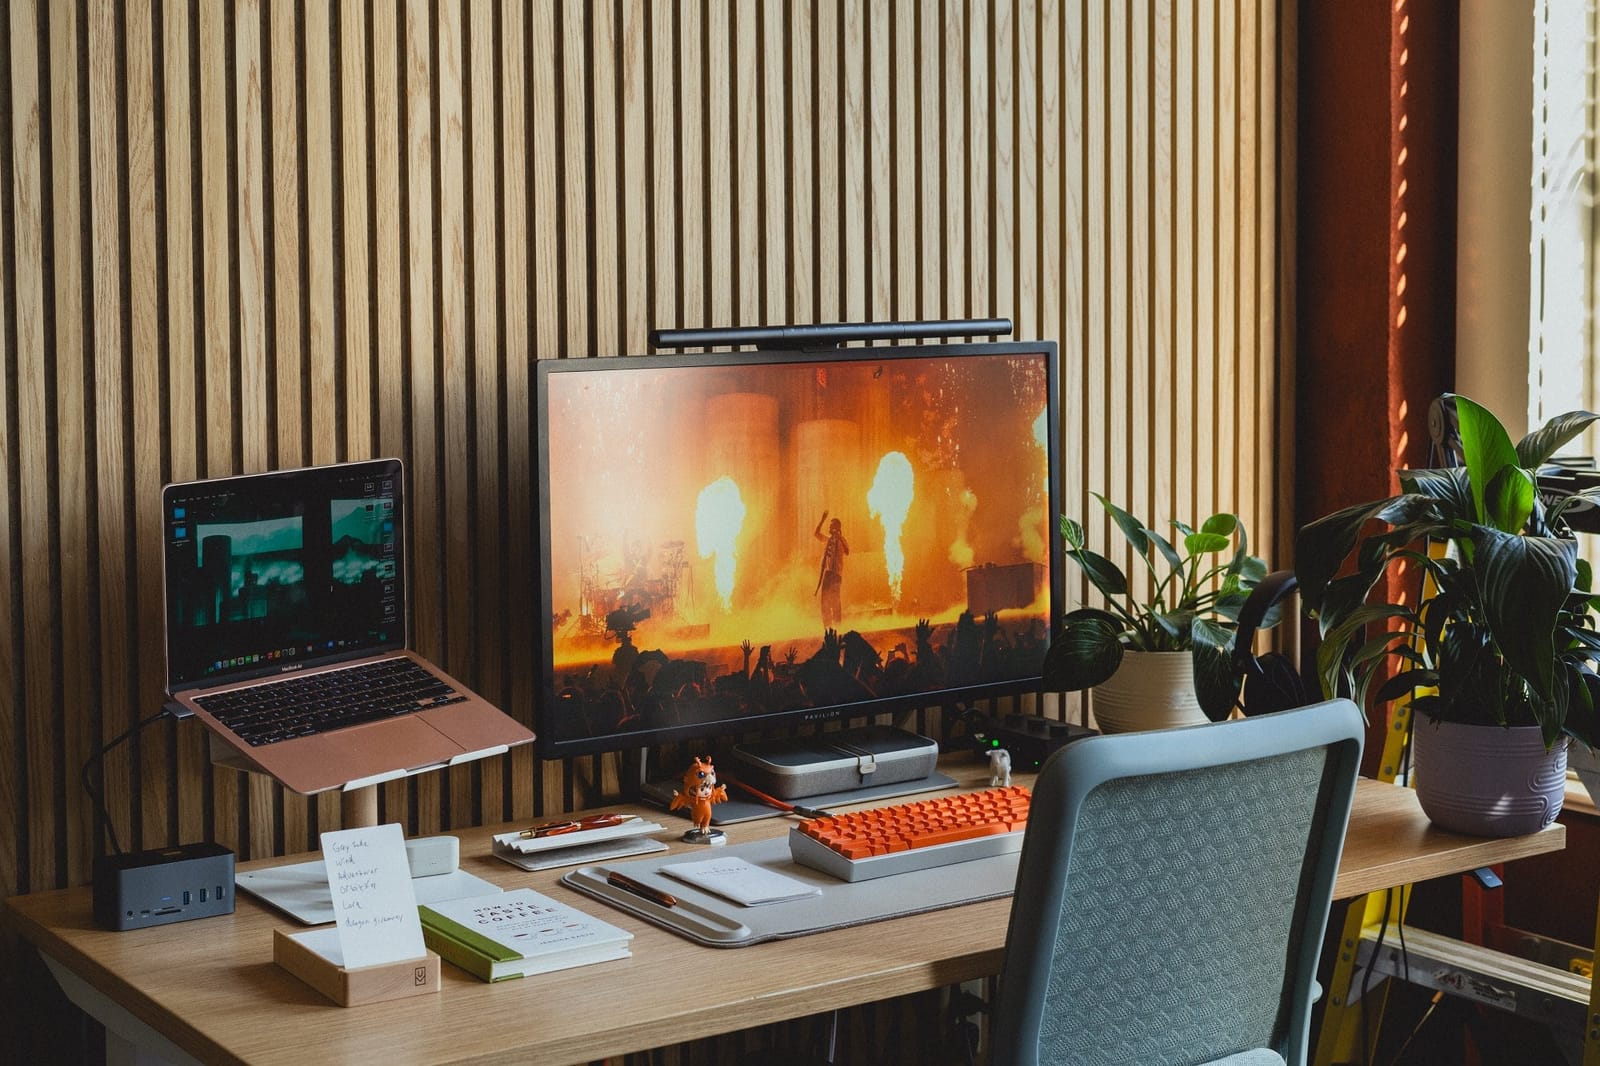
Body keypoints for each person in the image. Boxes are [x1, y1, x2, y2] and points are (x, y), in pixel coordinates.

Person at [814, 510, 849, 630]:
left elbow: (847, 551)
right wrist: (822, 519)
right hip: (828, 573)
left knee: (835, 600)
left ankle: (838, 627)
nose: (829, 526)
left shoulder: (842, 539)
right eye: (829, 524)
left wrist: (839, 536)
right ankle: (827, 627)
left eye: (831, 524)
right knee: (824, 600)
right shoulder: (827, 539)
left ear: (837, 527)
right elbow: (816, 534)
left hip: (837, 574)